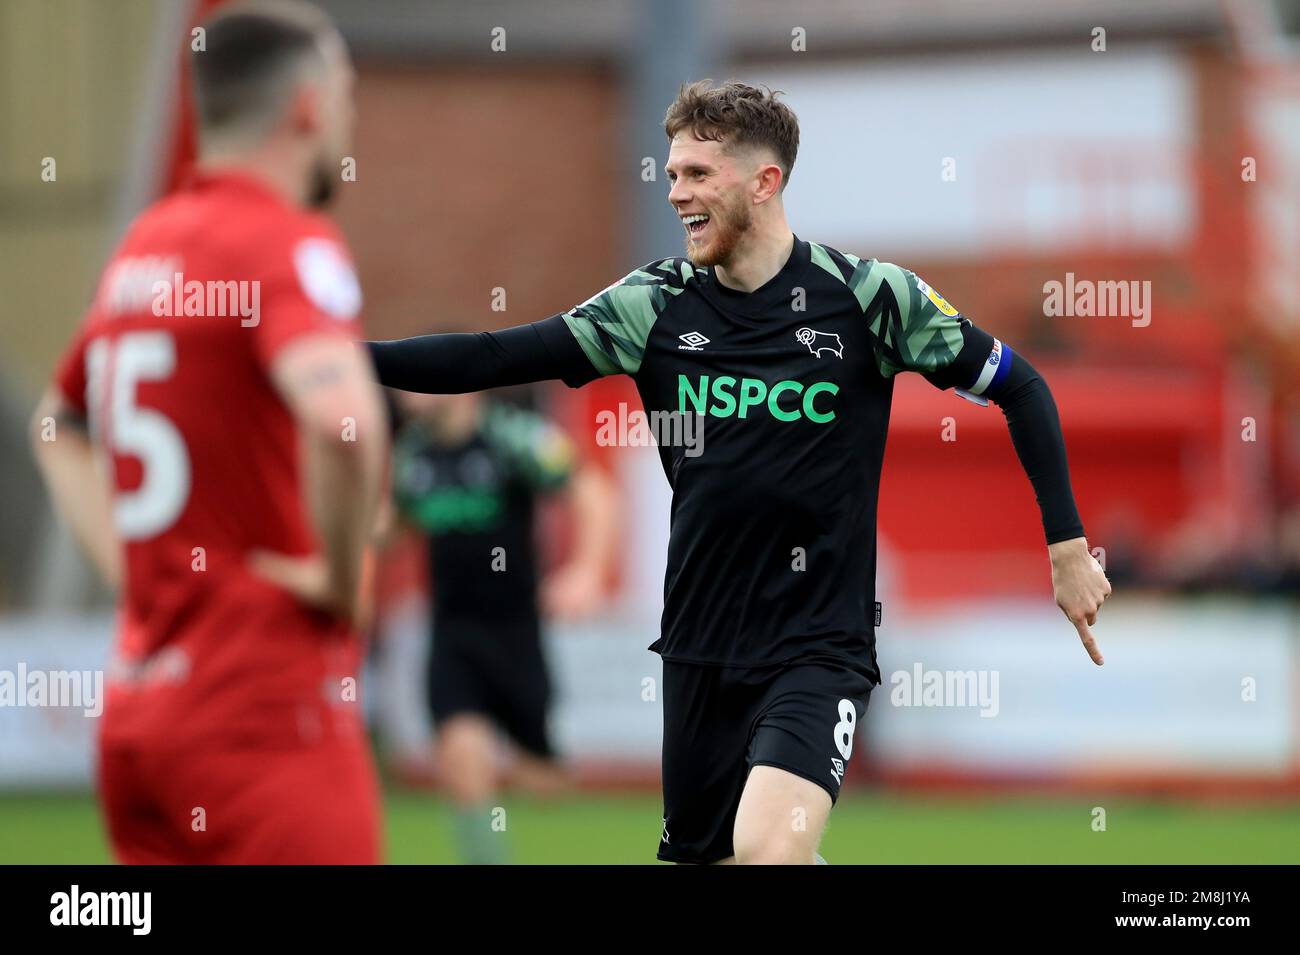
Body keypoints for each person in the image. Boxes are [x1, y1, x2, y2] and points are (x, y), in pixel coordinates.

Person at [365, 81, 1112, 865]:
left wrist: (1065, 545)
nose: (676, 191)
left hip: (820, 644)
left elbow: (1020, 384)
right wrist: (348, 360)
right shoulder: (651, 305)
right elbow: (494, 355)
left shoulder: (869, 298)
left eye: (697, 174)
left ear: (765, 182)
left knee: (766, 849)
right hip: (699, 647)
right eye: (672, 172)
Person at [30, 1, 388, 864]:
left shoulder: (143, 249)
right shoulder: (283, 244)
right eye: (343, 93)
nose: (348, 118)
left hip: (142, 725)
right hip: (265, 716)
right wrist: (344, 579)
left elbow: (56, 421)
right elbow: (344, 424)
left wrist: (137, 568)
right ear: (306, 106)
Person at [384, 390, 615, 863]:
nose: (403, 389)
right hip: (450, 632)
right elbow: (387, 527)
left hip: (516, 632)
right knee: (461, 754)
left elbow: (594, 493)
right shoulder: (412, 454)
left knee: (542, 782)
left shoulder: (515, 438)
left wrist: (587, 571)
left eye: (418, 378)